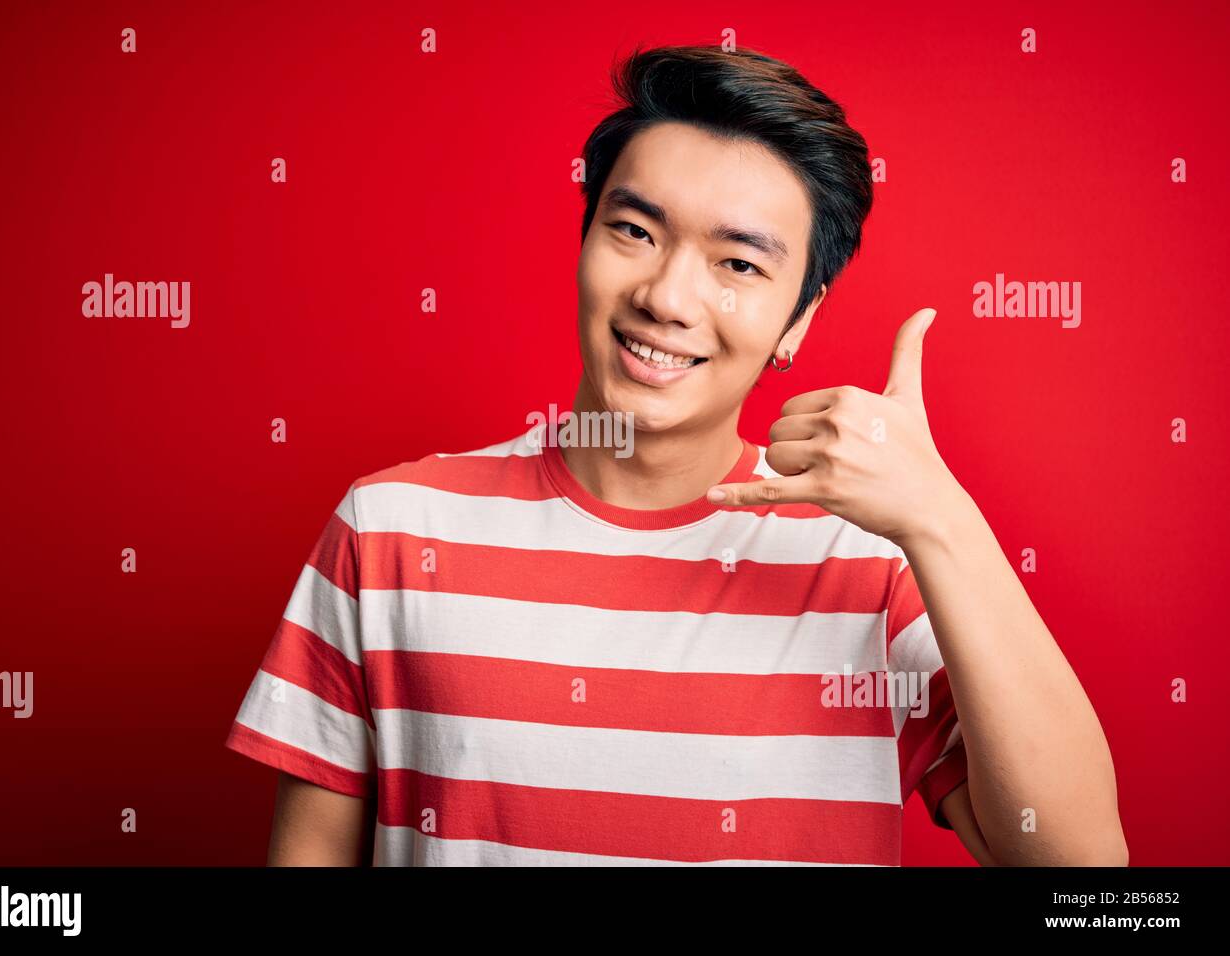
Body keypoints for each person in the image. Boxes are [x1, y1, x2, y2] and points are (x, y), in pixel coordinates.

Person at [225, 44, 1127, 866]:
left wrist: (942, 520)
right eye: (635, 231)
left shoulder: (872, 570)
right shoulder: (389, 532)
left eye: (738, 265)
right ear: (585, 240)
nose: (665, 296)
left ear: (797, 321)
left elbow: (1083, 871)